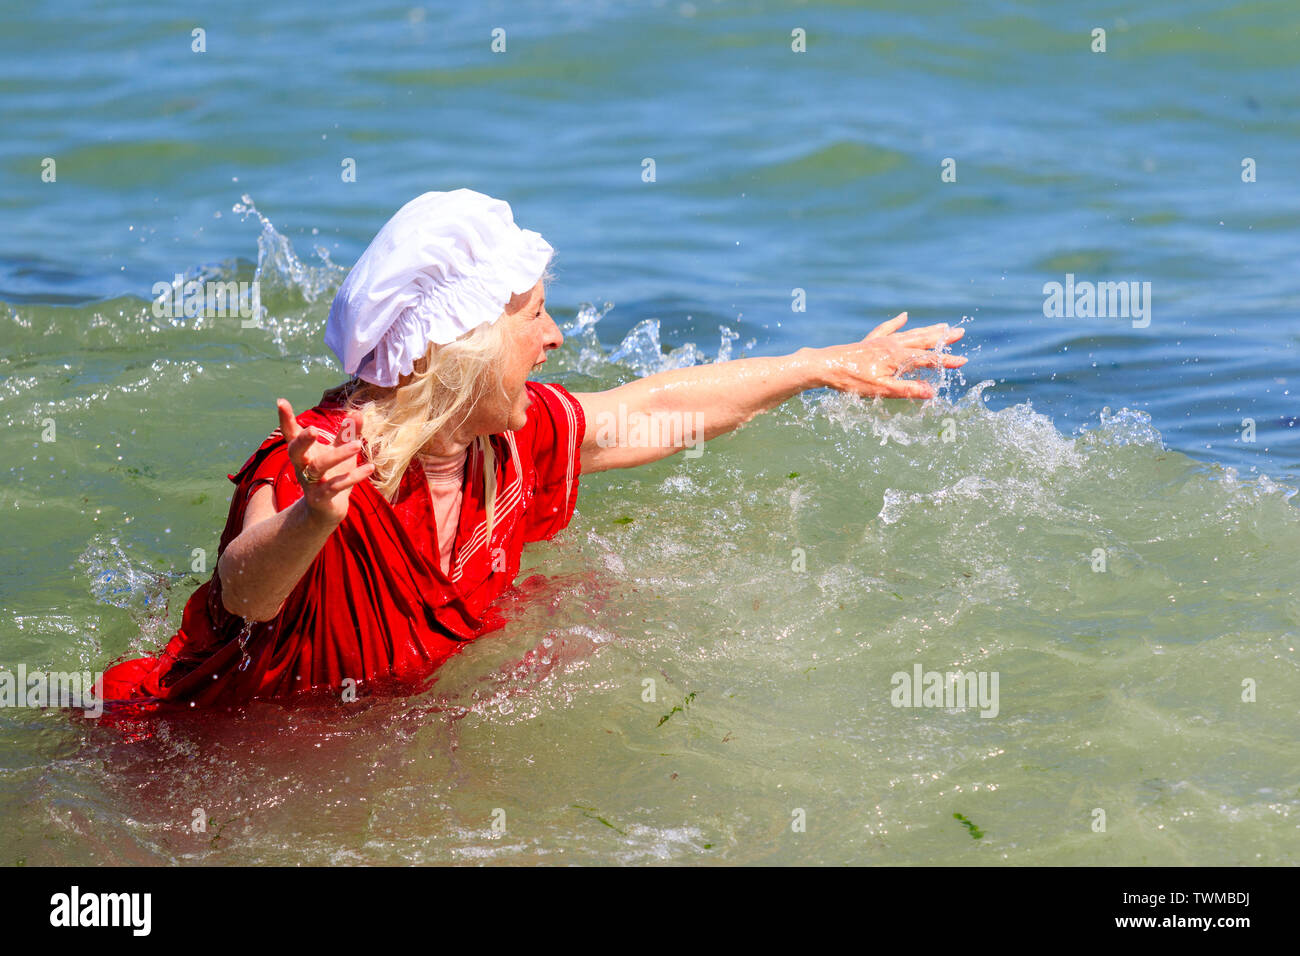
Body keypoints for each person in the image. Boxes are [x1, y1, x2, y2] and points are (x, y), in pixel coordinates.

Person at [97, 188, 965, 711]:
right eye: (534, 314)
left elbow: (650, 413)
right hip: (201, 749)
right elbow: (244, 592)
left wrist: (820, 365)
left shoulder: (504, 438)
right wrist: (314, 517)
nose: (553, 337)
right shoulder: (325, 459)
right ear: (463, 344)